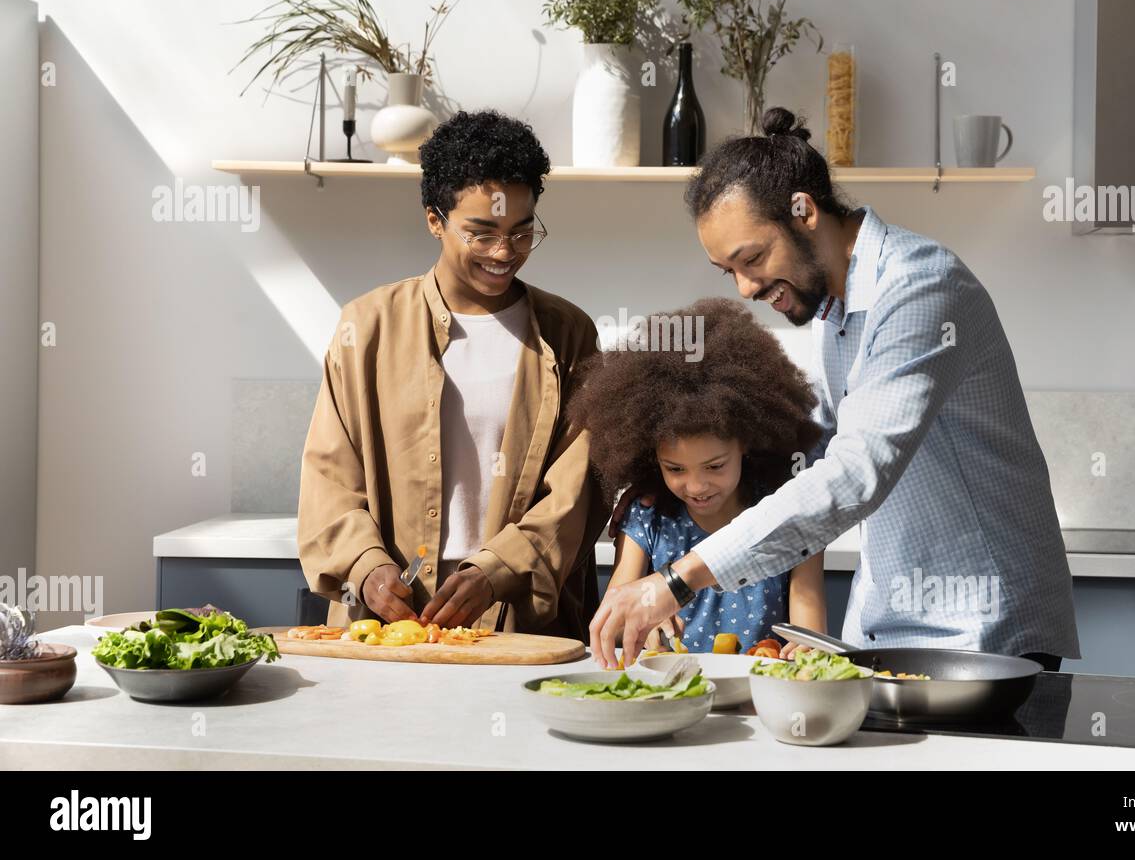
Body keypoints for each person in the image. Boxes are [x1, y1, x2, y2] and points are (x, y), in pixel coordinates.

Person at [590, 106, 1080, 671]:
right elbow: (809, 449)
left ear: (804, 211)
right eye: (729, 271)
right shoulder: (834, 312)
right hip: (891, 620)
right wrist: (665, 477)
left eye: (752, 258)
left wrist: (678, 581)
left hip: (980, 628)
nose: (746, 287)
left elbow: (854, 473)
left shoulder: (920, 287)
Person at [297, 109, 609, 638]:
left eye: (521, 232)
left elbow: (578, 490)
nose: (503, 253)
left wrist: (498, 570)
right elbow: (329, 476)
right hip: (388, 626)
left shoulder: (568, 333)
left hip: (520, 626)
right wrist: (367, 566)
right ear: (434, 219)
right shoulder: (367, 326)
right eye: (481, 233)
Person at [567, 298, 827, 657]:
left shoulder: (786, 515)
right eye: (675, 469)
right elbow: (613, 620)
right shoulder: (648, 517)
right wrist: (641, 618)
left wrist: (805, 650)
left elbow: (811, 636)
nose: (696, 486)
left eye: (715, 466)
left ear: (748, 444)